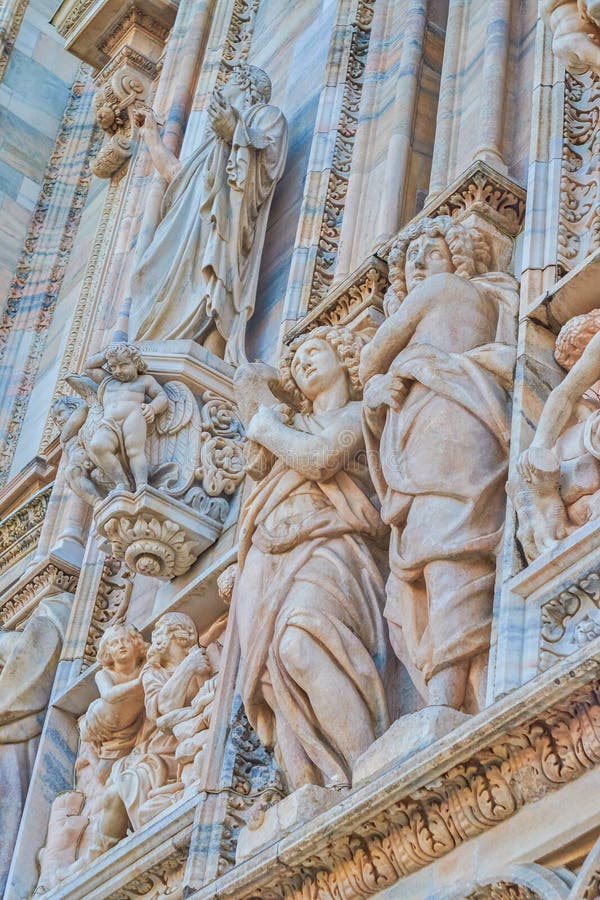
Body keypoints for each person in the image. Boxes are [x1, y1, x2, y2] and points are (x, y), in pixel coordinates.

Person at [360, 215, 518, 715]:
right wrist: (378, 389)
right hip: (450, 417)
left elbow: (370, 356)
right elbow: (370, 364)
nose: (423, 257)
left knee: (448, 541)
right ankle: (473, 683)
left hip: (452, 420)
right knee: (451, 543)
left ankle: (448, 699)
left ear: (458, 254)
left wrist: (381, 380)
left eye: (433, 247)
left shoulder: (456, 291)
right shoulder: (494, 296)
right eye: (412, 255)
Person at [233, 326, 391, 791]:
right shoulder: (289, 426)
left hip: (330, 544)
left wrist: (265, 426)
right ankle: (308, 788)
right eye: (295, 359)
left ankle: (367, 765)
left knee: (299, 643)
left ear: (345, 359)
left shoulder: (358, 414)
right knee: (268, 677)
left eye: (314, 351)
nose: (303, 361)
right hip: (267, 554)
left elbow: (322, 460)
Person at [128, 63, 288, 366]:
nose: (220, 88)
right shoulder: (209, 145)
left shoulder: (266, 116)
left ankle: (208, 354)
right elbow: (177, 175)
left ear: (244, 85)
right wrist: (150, 134)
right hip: (183, 236)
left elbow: (268, 162)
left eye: (228, 81)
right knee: (145, 278)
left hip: (224, 228)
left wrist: (233, 130)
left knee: (213, 284)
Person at [83, 343, 169, 490]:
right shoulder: (108, 380)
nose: (118, 371)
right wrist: (106, 354)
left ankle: (142, 485)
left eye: (123, 365)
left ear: (136, 363)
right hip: (109, 421)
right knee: (97, 446)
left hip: (133, 417)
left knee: (134, 451)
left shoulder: (144, 380)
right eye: (113, 367)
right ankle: (122, 483)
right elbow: (88, 367)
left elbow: (162, 397)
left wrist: (152, 408)